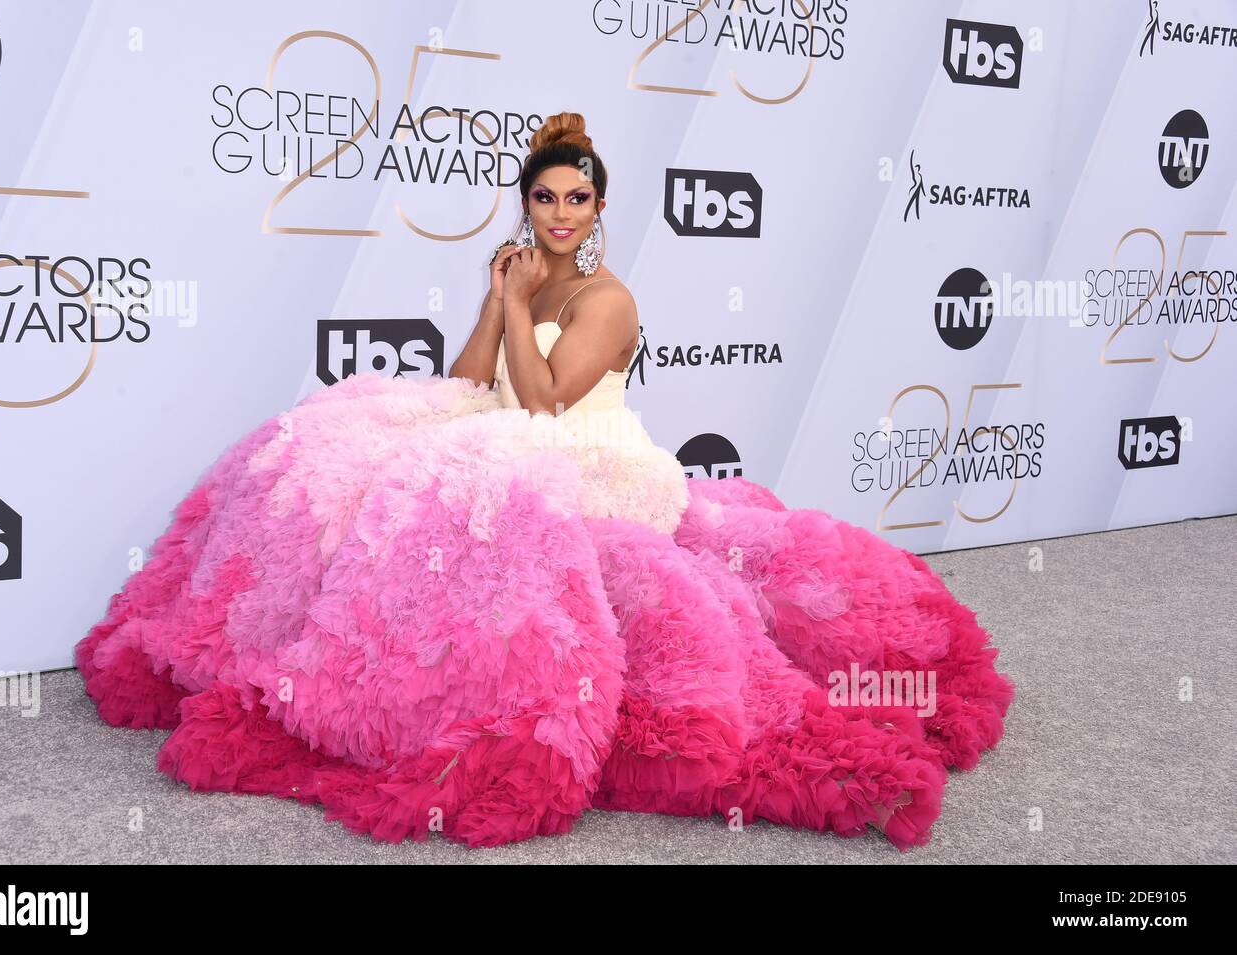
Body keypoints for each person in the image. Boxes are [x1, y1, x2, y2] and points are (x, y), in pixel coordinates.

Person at [76, 112, 1014, 851]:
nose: (561, 213)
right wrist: (497, 300)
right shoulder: (522, 280)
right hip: (510, 435)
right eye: (546, 198)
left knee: (490, 490)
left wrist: (524, 306)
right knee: (352, 450)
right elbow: (470, 380)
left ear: (599, 209)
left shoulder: (610, 300)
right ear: (526, 205)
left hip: (586, 457)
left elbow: (546, 403)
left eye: (578, 199)